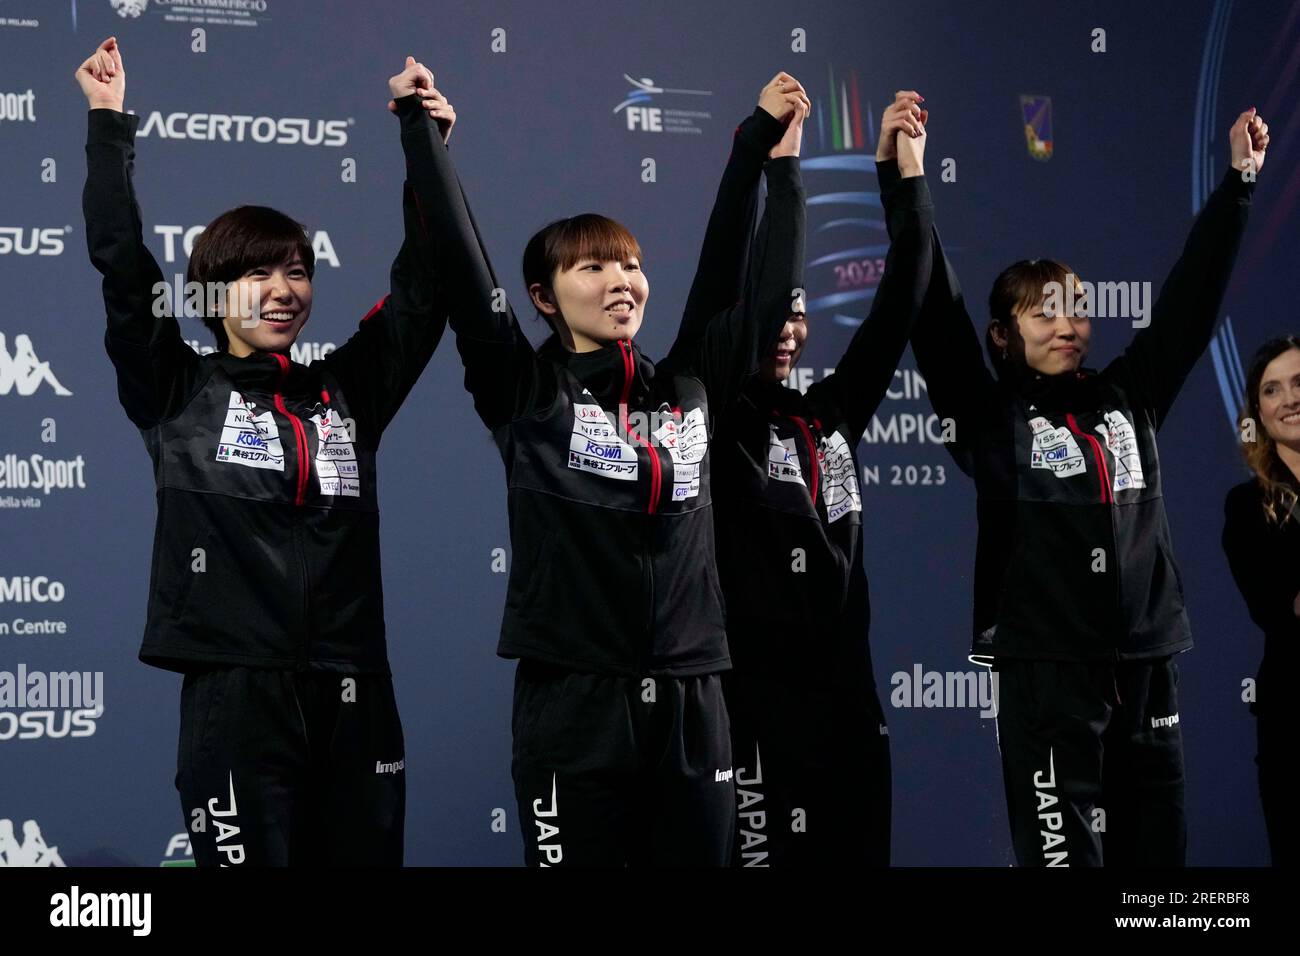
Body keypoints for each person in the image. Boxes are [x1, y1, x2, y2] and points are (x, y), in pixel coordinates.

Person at [399, 67, 808, 865]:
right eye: (591, 267)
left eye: (629, 264)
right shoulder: (525, 389)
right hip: (573, 705)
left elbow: (749, 288)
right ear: (542, 297)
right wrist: (423, 138)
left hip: (694, 696)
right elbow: (462, 261)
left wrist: (772, 158)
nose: (620, 280)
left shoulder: (690, 381)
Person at [77, 37, 451, 866]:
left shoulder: (347, 391)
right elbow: (120, 266)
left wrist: (426, 147)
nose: (284, 291)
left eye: (298, 271)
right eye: (259, 274)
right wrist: (109, 125)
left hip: (358, 690)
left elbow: (426, 288)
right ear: (211, 291)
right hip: (238, 697)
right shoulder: (177, 389)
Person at [901, 102, 1267, 866]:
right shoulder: (989, 415)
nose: (1068, 325)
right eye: (1044, 315)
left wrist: (1238, 183)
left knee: (1158, 869)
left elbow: (1189, 306)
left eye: (1077, 309)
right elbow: (933, 310)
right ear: (1002, 337)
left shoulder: (1127, 396)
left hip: (1147, 662)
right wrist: (904, 177)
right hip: (1047, 673)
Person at [665, 91, 934, 865]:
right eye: (773, 315)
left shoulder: (830, 414)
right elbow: (732, 275)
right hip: (749, 707)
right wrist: (776, 164)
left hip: (849, 701)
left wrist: (900, 169)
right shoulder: (707, 408)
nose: (787, 331)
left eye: (798, 317)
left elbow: (904, 293)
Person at [1221, 335, 1300, 866]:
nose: (1289, 399)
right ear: (1259, 415)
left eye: (1299, 383)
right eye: (1272, 390)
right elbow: (1275, 606)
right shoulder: (1248, 506)